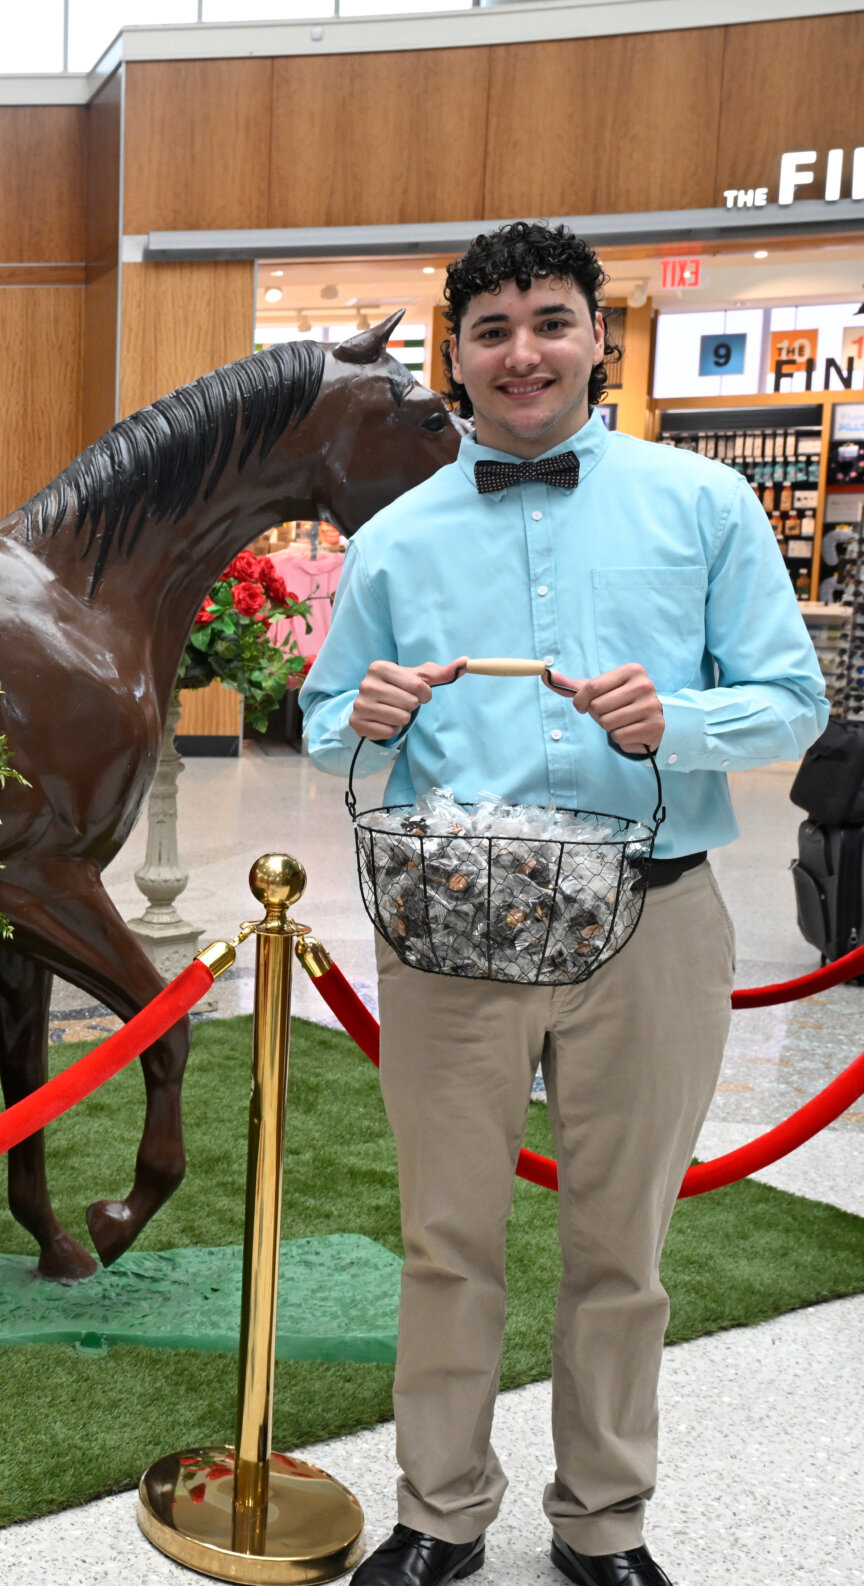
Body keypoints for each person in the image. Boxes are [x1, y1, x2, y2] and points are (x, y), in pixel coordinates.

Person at [301, 222, 825, 1586]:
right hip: (450, 930)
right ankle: (439, 1510)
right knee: (446, 1239)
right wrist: (362, 714)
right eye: (491, 330)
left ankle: (603, 1519)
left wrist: (681, 720)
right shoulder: (395, 540)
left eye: (549, 321)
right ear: (456, 357)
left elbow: (793, 699)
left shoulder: (702, 504)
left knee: (622, 1246)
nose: (521, 352)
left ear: (598, 336)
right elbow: (322, 726)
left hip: (654, 919)